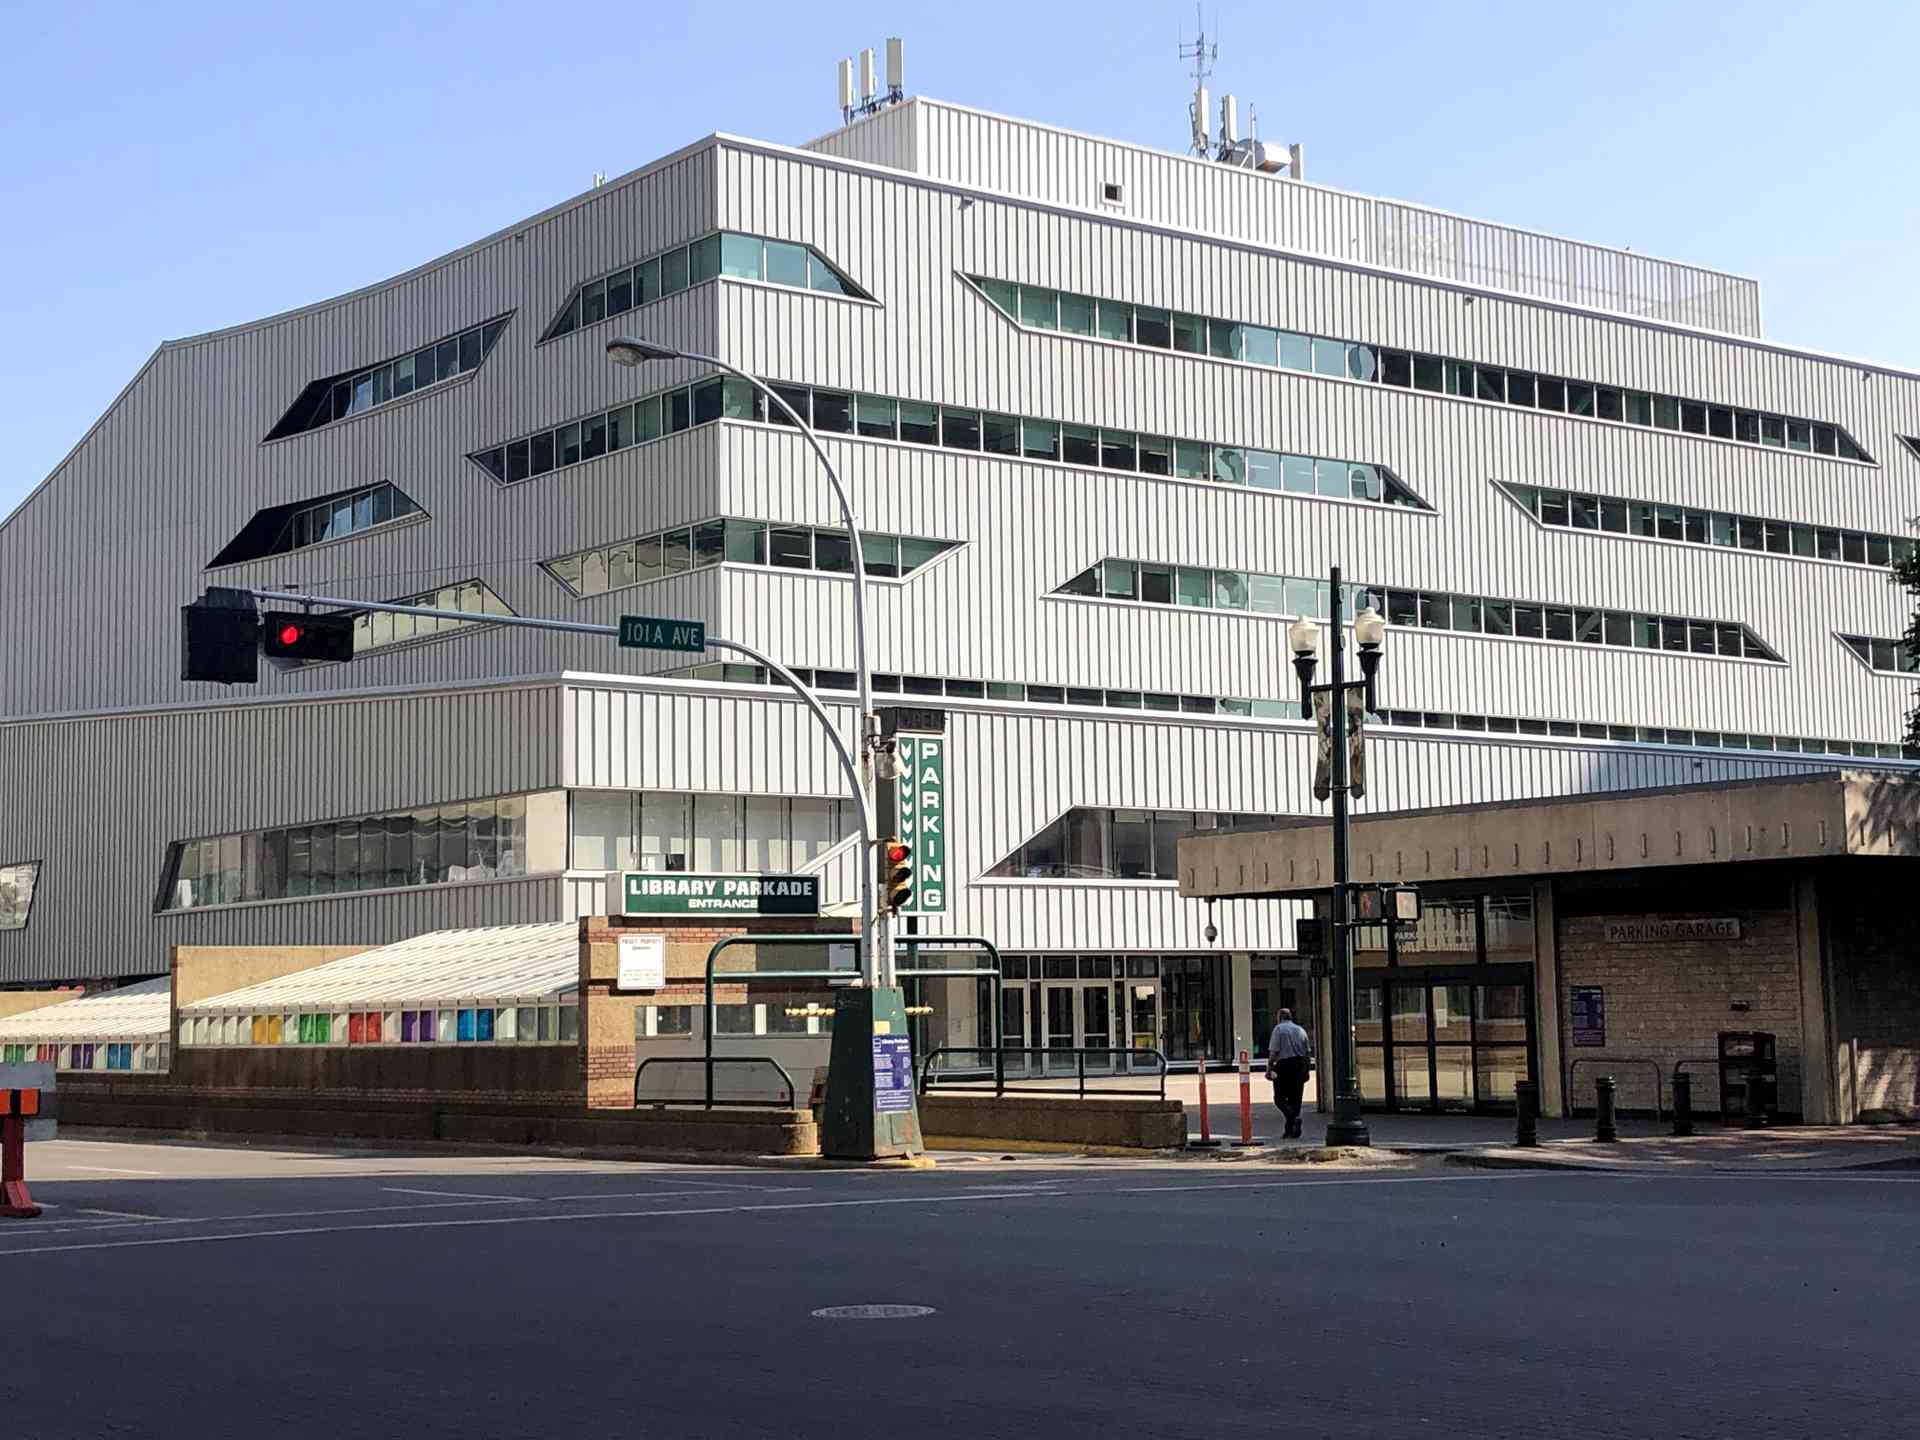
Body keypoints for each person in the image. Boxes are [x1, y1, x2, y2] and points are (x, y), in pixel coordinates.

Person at [1265, 1009, 1313, 1139]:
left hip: (1284, 1066)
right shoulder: (1300, 1030)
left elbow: (1274, 1051)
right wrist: (1307, 1070)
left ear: (1280, 1017)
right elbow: (1307, 1053)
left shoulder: (1279, 1029)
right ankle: (1290, 1129)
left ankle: (1293, 1119)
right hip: (1299, 1065)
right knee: (1295, 1098)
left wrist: (1269, 1068)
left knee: (1279, 1098)